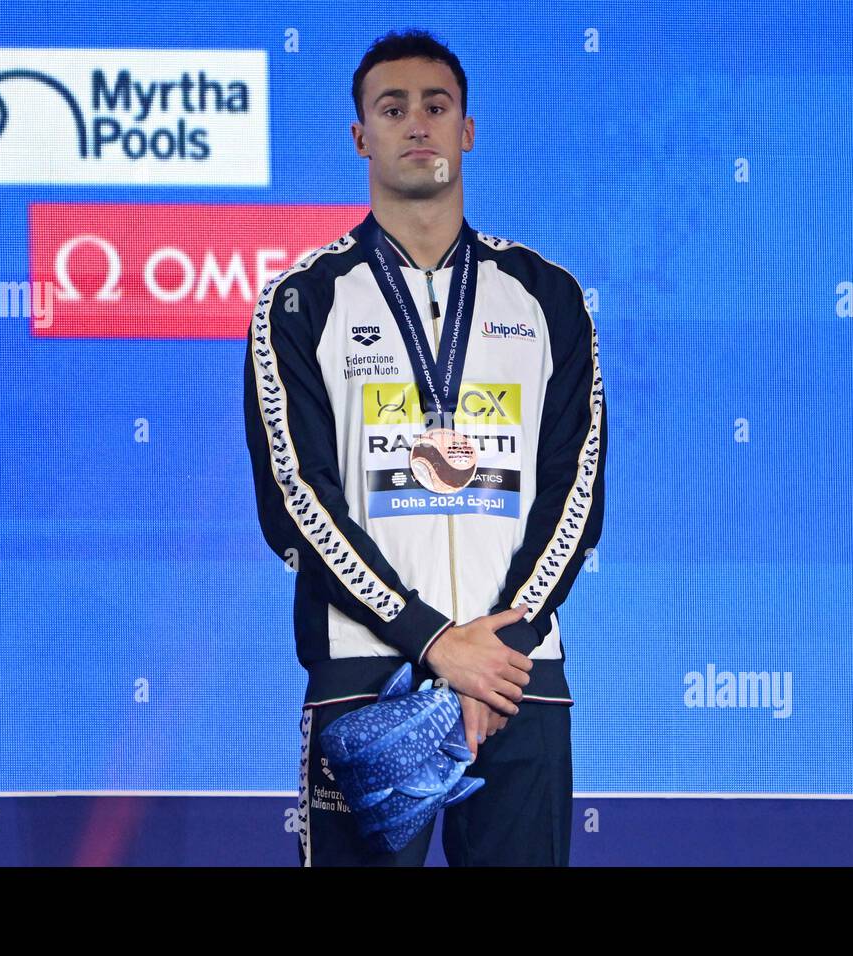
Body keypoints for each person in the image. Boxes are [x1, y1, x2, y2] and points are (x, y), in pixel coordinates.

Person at [243, 28, 606, 866]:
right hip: (366, 680)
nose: (417, 124)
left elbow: (576, 495)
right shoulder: (301, 302)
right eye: (392, 107)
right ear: (360, 136)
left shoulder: (548, 297)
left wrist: (497, 653)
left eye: (436, 106)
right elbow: (297, 502)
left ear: (467, 130)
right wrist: (434, 641)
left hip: (520, 685)